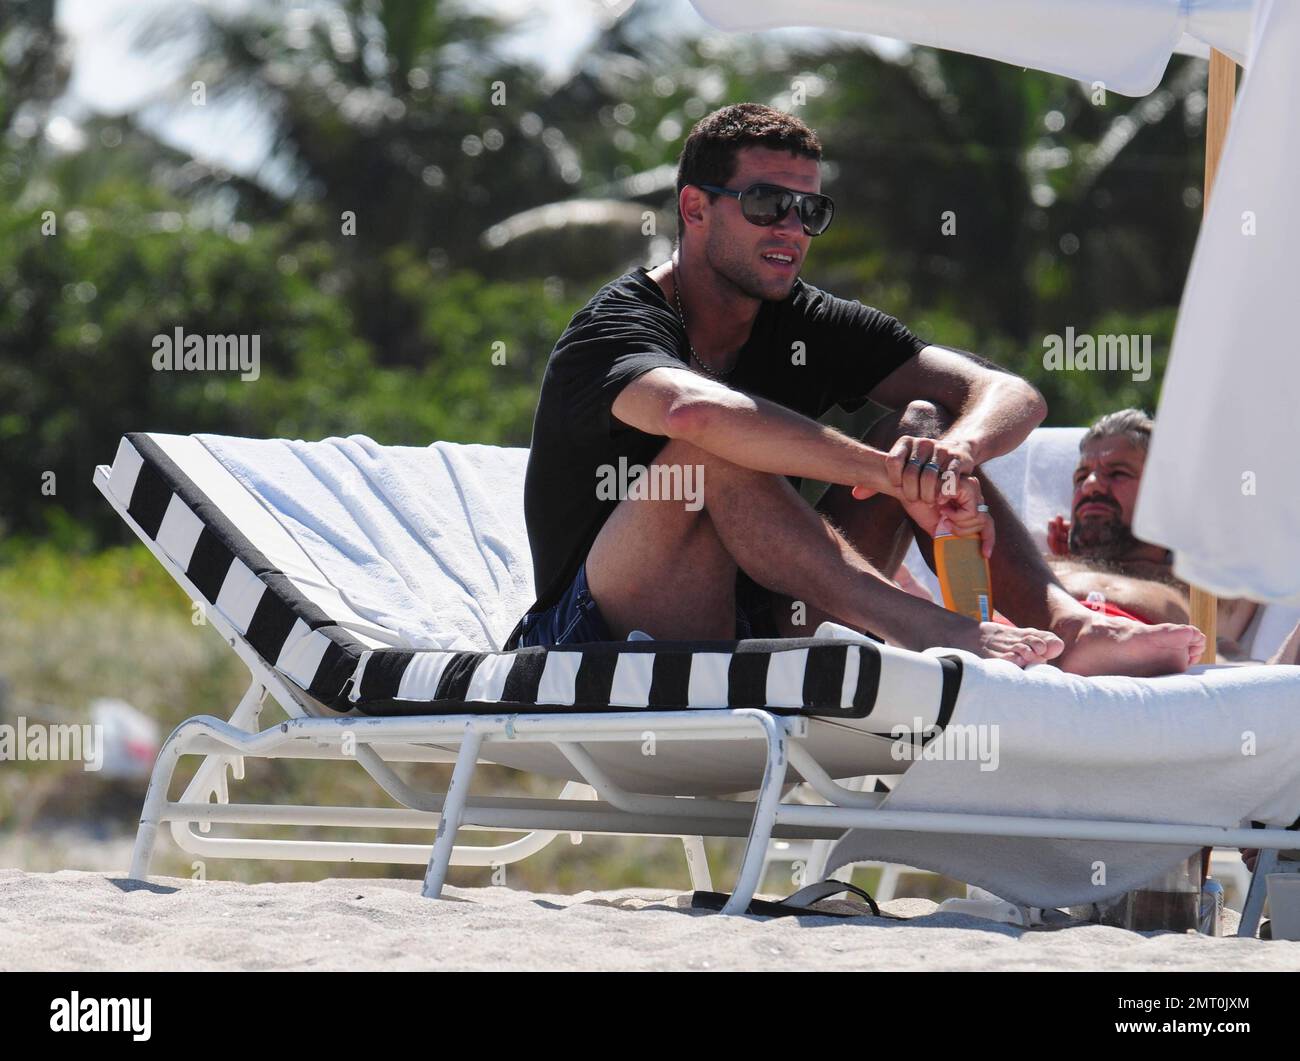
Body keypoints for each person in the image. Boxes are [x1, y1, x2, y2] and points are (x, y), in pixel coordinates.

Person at [502, 103, 1204, 676]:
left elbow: (1008, 391)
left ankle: (1066, 627)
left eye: (810, 211)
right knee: (705, 449)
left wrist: (945, 460)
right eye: (768, 203)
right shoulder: (616, 327)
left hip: (764, 615)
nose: (792, 229)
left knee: (921, 425)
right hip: (590, 632)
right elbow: (690, 408)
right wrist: (884, 475)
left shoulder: (802, 317)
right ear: (694, 208)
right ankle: (929, 626)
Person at [1048, 408, 1300, 664]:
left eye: (1118, 473)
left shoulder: (1205, 584)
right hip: (1032, 643)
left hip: (1156, 671)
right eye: (1081, 477)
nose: (1090, 485)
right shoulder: (1035, 563)